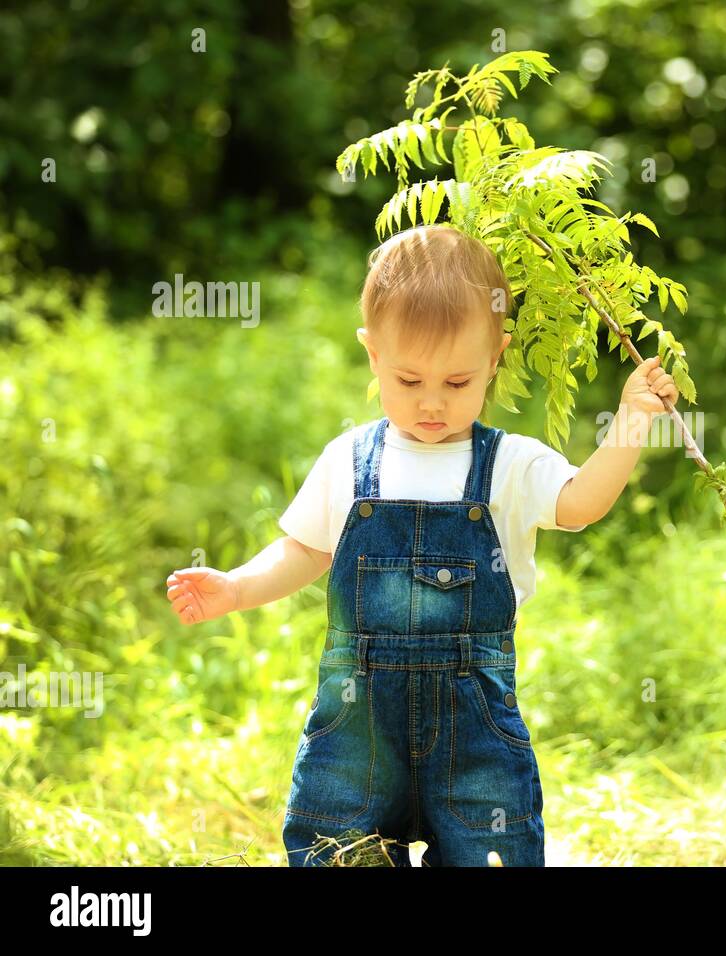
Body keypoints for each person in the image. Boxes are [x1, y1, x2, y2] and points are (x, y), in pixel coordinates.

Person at [164, 224, 678, 866]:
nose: (432, 403)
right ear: (372, 355)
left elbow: (579, 504)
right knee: (337, 851)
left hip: (473, 732)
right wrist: (237, 587)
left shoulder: (509, 466)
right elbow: (304, 551)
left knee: (491, 851)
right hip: (357, 729)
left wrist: (631, 422)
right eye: (409, 381)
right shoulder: (349, 462)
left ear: (496, 356)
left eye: (458, 383)